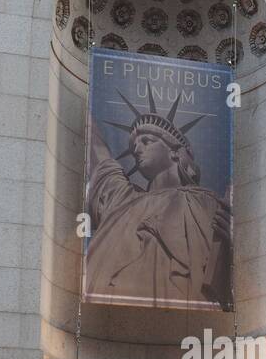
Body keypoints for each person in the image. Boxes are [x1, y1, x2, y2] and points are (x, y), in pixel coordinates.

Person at [84, 88, 233, 310]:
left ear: (175, 151)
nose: (137, 149)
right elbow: (96, 152)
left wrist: (230, 246)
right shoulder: (123, 200)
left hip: (190, 313)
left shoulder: (207, 203)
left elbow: (220, 274)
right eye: (135, 145)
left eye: (147, 141)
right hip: (118, 302)